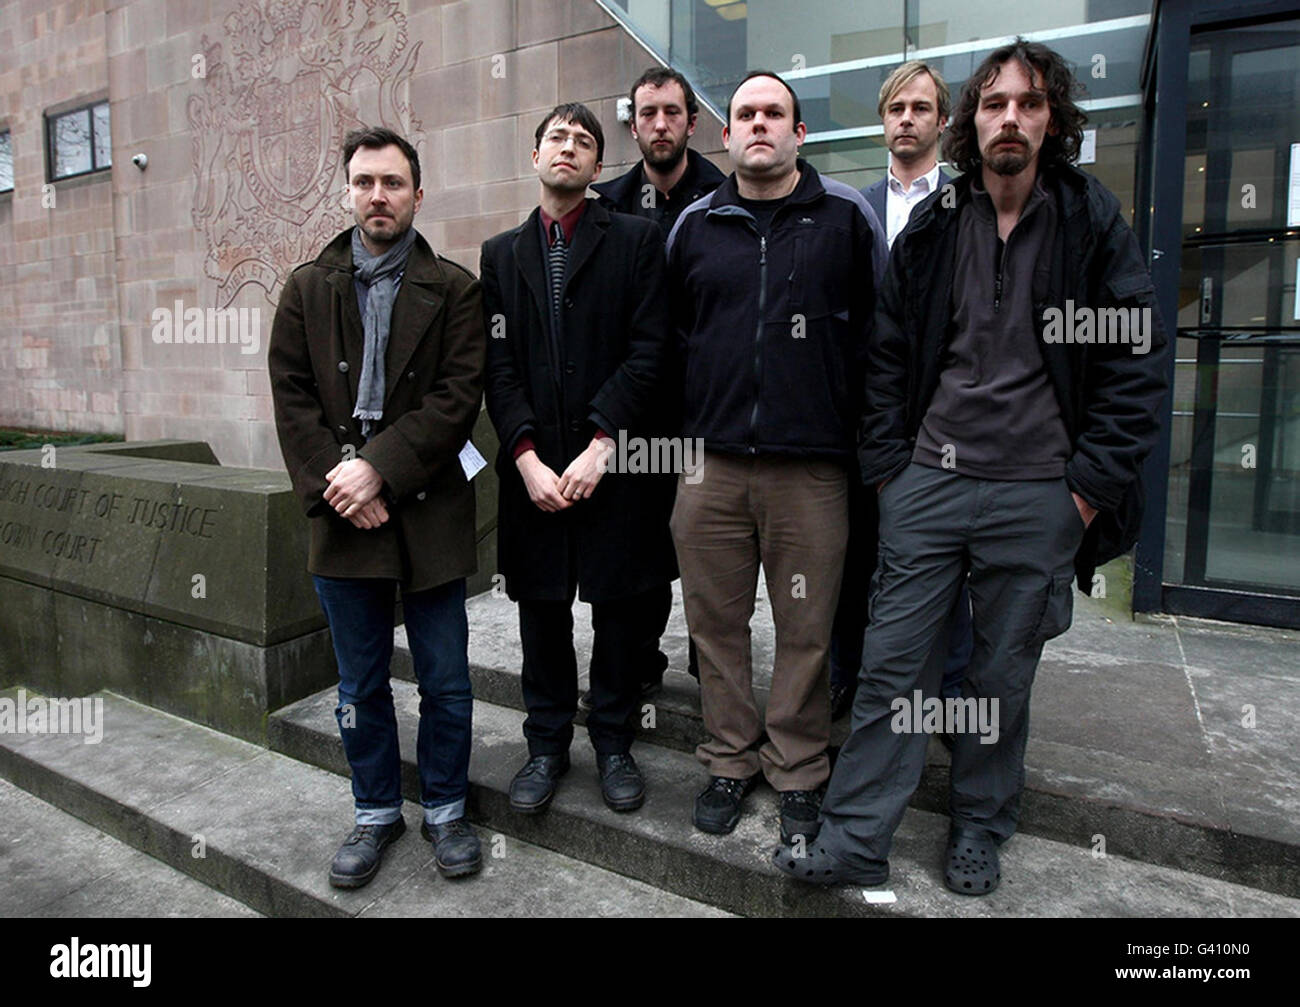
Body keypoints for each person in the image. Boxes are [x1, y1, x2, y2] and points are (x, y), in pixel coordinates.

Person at [774, 39, 1168, 894]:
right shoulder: (937, 226)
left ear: (1052, 118)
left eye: (1028, 104)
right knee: (892, 665)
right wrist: (891, 470)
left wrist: (1086, 491)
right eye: (994, 104)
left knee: (999, 673)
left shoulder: (1091, 220)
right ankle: (855, 836)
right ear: (972, 121)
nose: (1011, 119)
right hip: (927, 484)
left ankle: (980, 826)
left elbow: (1136, 360)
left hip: (1040, 492)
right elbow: (886, 357)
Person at [666, 71, 887, 846]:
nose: (759, 124)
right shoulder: (694, 226)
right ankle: (729, 756)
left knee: (807, 627)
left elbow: (879, 342)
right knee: (714, 625)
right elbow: (668, 345)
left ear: (800, 134)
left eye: (775, 114)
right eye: (745, 115)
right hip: (710, 469)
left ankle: (797, 764)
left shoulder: (846, 218)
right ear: (724, 137)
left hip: (812, 469)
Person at [269, 126, 486, 888]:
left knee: (446, 679)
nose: (378, 196)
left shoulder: (456, 289)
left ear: (417, 195)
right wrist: (343, 482)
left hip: (426, 508)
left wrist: (379, 473)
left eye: (393, 183)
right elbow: (292, 398)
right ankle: (374, 812)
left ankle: (449, 809)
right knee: (358, 686)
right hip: (340, 507)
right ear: (347, 191)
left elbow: (456, 402)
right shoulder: (305, 287)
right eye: (364, 182)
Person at [481, 103, 676, 816]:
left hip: (613, 464)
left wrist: (602, 443)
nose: (568, 148)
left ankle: (616, 741)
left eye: (584, 141)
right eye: (556, 137)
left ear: (598, 166)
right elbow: (497, 367)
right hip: (535, 470)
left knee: (621, 611)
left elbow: (650, 351)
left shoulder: (637, 241)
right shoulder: (500, 254)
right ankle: (546, 745)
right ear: (535, 156)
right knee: (542, 612)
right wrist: (526, 456)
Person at [587, 66, 726, 700]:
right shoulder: (607, 204)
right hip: (635, 409)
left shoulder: (725, 197)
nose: (661, 124)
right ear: (634, 123)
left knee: (707, 545)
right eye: (648, 114)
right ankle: (638, 661)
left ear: (692, 123)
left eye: (672, 112)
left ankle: (709, 665)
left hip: (704, 407)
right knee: (637, 546)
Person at [833, 60, 960, 722]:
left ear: (943, 120)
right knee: (856, 558)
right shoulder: (854, 208)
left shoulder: (968, 207)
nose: (906, 118)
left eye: (919, 107)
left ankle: (949, 692)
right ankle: (846, 674)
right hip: (864, 419)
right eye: (894, 108)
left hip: (948, 423)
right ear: (883, 122)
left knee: (947, 564)